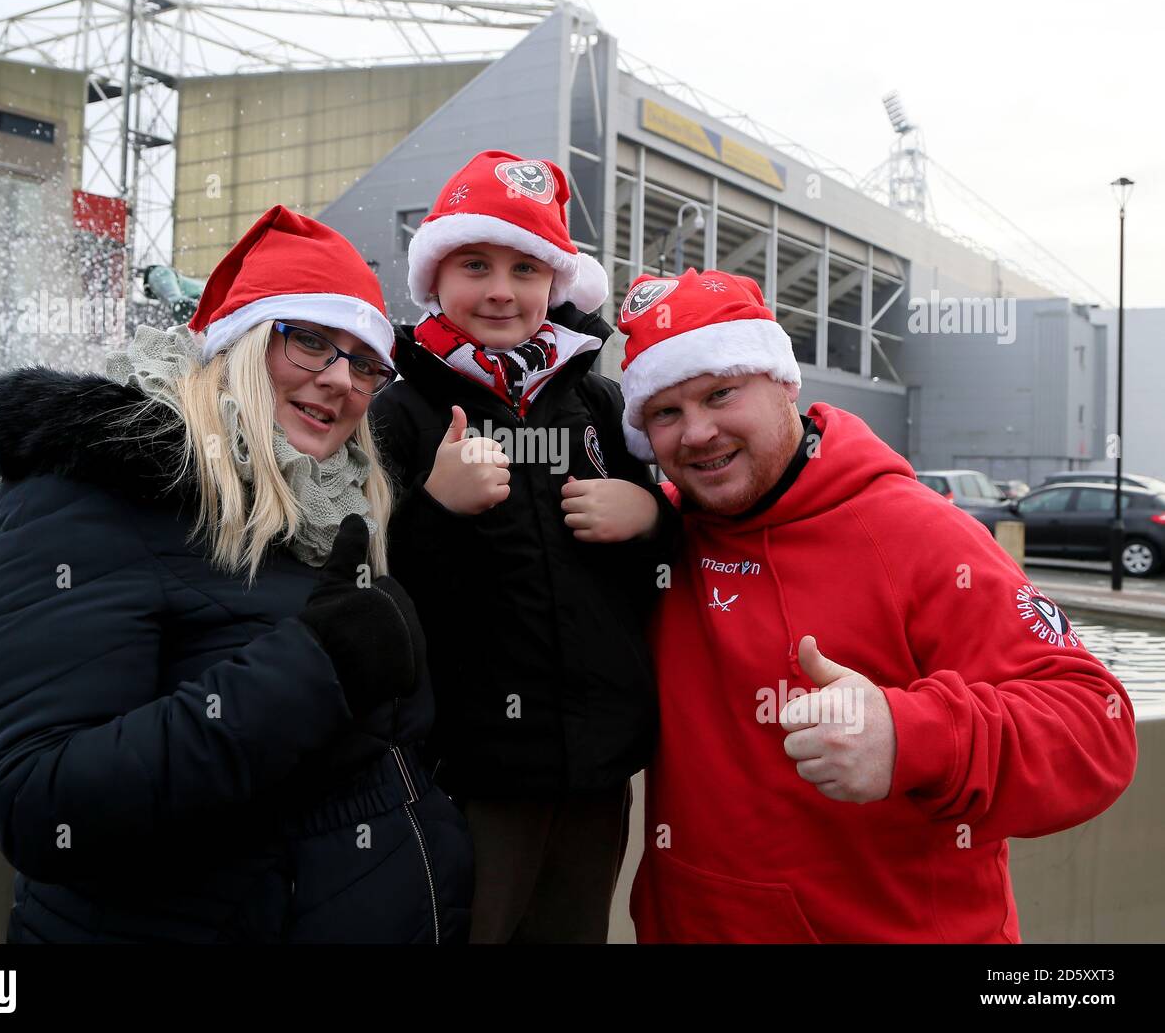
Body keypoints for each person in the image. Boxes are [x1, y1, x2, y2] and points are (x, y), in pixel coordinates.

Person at [0, 206, 473, 943]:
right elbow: (40, 806)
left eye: (365, 363)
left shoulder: (329, 505)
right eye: (309, 343)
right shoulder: (80, 500)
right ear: (237, 346)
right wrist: (314, 668)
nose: (340, 382)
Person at [617, 268, 1138, 943]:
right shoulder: (665, 533)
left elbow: (1097, 728)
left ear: (782, 385)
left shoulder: (918, 533)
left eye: (721, 394)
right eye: (666, 413)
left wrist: (911, 738)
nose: (696, 433)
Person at [370, 150, 676, 943]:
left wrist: (649, 517)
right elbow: (366, 583)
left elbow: (672, 568)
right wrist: (435, 509)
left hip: (599, 768)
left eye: (526, 267)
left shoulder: (602, 406)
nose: (501, 289)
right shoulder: (400, 413)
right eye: (476, 263)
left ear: (557, 283)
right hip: (468, 773)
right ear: (435, 277)